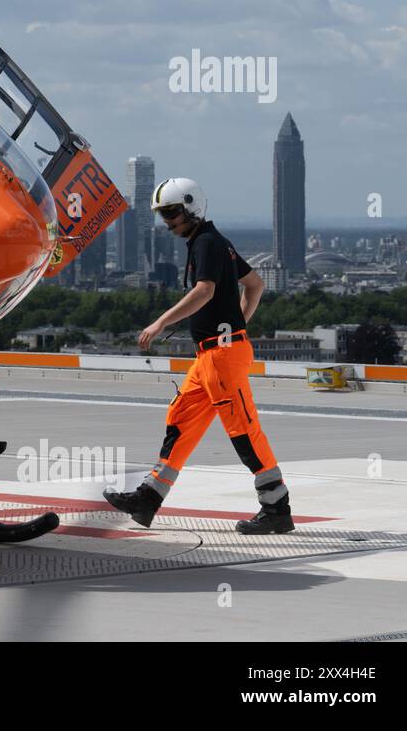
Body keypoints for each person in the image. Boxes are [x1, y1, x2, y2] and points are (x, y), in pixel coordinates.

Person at [103, 177, 294, 534]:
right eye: (163, 215)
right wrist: (237, 325)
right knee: (181, 419)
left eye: (172, 212)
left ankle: (276, 508)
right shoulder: (210, 241)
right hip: (210, 357)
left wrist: (160, 323)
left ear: (192, 206)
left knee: (243, 429)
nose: (168, 221)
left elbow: (205, 291)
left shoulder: (207, 242)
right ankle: (148, 498)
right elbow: (255, 284)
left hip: (221, 357)